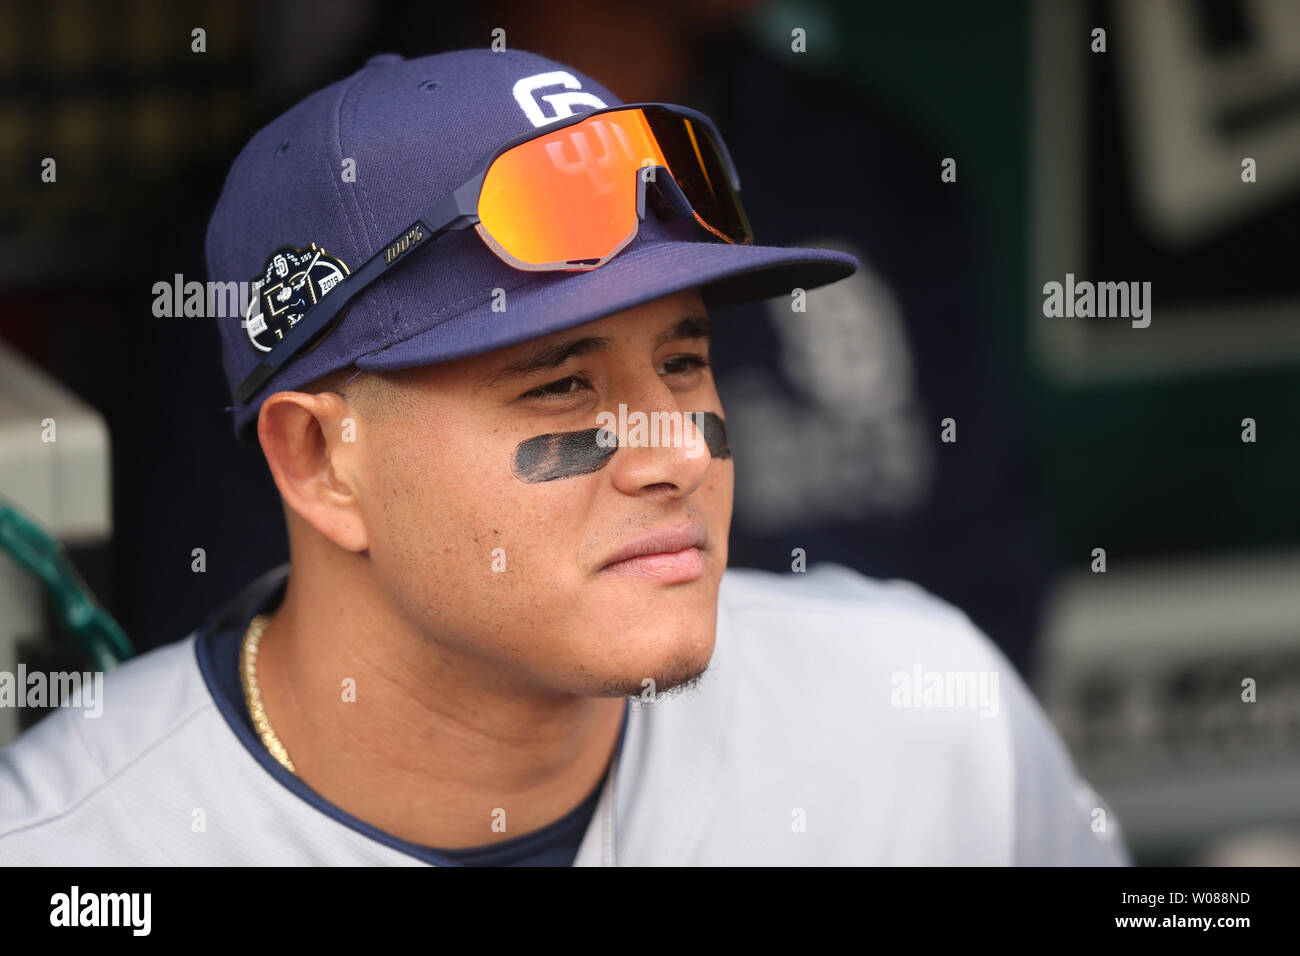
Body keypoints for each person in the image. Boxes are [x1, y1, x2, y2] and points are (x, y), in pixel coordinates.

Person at [0, 49, 1127, 865]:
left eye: (683, 360)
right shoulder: (74, 853)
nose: (676, 448)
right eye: (563, 384)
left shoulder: (924, 719)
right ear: (319, 461)